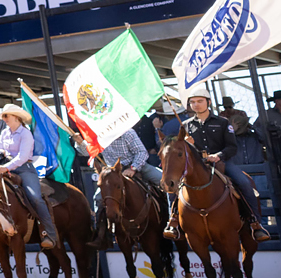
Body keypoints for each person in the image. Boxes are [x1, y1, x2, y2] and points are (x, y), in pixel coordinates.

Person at [169, 87, 270, 242]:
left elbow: (232, 147)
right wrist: (189, 145)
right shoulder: (186, 125)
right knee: (175, 187)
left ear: (208, 102)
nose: (196, 105)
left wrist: (218, 156)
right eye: (193, 102)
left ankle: (255, 223)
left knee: (244, 183)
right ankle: (173, 222)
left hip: (222, 163)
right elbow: (182, 151)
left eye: (200, 101)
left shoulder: (223, 123)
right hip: (197, 165)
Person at [0, 103, 59, 249]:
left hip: (24, 169)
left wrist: (6, 167)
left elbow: (22, 157)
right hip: (6, 167)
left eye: (6, 116)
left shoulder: (25, 133)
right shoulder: (4, 133)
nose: (4, 119)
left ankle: (50, 233)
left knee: (35, 197)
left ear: (16, 117)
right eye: (3, 116)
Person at [87, 129, 162, 248]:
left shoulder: (128, 133)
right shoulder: (98, 135)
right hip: (112, 172)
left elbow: (142, 153)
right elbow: (89, 152)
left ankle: (172, 222)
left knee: (163, 181)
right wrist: (79, 142)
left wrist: (133, 168)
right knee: (98, 198)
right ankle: (101, 235)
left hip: (136, 166)